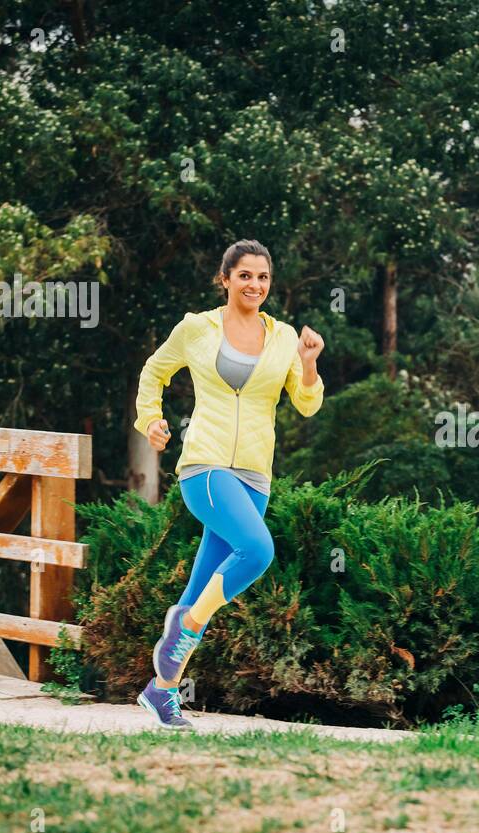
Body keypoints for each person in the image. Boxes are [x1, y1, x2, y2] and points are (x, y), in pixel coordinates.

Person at [131, 239, 325, 729]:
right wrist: (150, 420)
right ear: (226, 279)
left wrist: (308, 362)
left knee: (203, 588)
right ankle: (186, 625)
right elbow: (154, 372)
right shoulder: (198, 327)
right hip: (207, 467)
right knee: (258, 551)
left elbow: (306, 404)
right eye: (244, 276)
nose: (254, 285)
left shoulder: (282, 337)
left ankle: (162, 691)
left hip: (256, 477)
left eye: (262, 277)